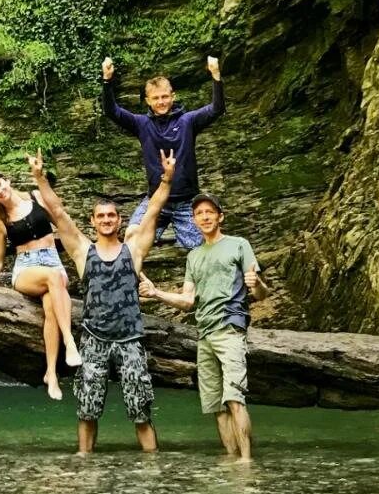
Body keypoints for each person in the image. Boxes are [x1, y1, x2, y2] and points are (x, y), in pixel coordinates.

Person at [36, 147, 178, 454]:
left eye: (111, 215)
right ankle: (85, 463)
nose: (106, 220)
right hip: (93, 340)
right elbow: (58, 213)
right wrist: (39, 178)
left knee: (141, 410)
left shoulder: (134, 251)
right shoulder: (82, 251)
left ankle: (152, 467)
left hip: (131, 340)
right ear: (92, 221)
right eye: (100, 216)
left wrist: (166, 180)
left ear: (120, 220)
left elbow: (153, 211)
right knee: (87, 410)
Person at [140, 192, 269, 460]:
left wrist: (257, 284)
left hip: (230, 328)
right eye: (199, 213)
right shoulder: (194, 256)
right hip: (205, 334)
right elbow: (188, 301)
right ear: (194, 221)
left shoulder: (238, 245)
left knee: (234, 398)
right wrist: (156, 293)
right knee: (216, 406)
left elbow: (260, 294)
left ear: (220, 216)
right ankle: (232, 458)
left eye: (210, 211)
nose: (205, 216)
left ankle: (246, 461)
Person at [0, 165, 82, 400]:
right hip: (26, 269)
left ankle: (50, 374)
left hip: (52, 260)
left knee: (51, 308)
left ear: (7, 180)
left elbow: (61, 218)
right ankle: (69, 341)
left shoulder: (36, 197)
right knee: (54, 278)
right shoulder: (0, 222)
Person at [101, 54, 224, 250]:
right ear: (148, 101)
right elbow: (112, 111)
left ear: (173, 96)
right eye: (156, 98)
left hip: (186, 202)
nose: (161, 102)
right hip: (156, 199)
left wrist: (216, 76)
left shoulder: (188, 121)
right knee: (132, 238)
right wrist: (107, 80)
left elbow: (216, 109)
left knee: (205, 248)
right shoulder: (141, 124)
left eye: (165, 96)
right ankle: (137, 280)